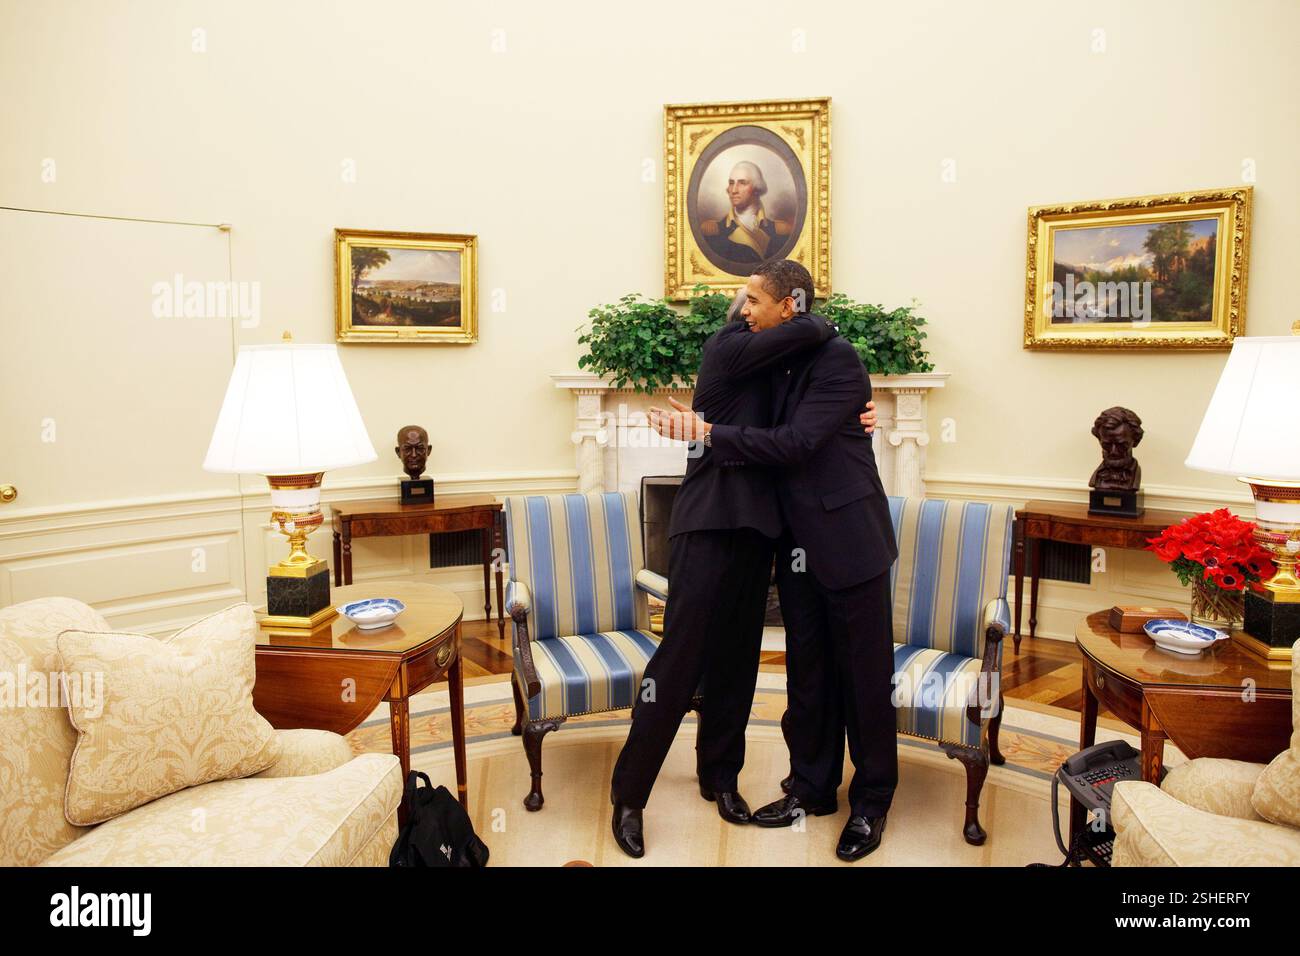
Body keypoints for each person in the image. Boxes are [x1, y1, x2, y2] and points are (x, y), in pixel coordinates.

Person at [609, 271, 876, 859]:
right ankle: (629, 795)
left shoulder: (790, 364)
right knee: (678, 662)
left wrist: (860, 412)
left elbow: (803, 431)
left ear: (786, 305)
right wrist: (811, 318)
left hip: (766, 531)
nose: (743, 308)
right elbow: (813, 328)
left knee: (736, 665)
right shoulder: (729, 346)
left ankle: (721, 778)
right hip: (709, 519)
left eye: (753, 299)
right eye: (743, 300)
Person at [700, 161, 793, 264]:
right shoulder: (712, 232)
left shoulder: (780, 231)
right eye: (731, 183)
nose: (734, 190)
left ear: (756, 188)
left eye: (742, 183)